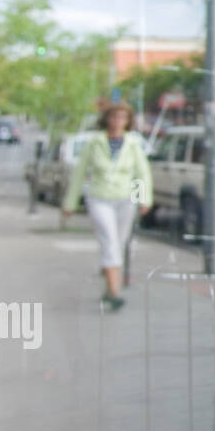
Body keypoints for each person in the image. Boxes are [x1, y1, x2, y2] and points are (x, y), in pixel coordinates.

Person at [62, 101, 152, 312]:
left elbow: (141, 173)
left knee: (118, 244)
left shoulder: (132, 143)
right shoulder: (95, 142)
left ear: (128, 121)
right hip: (100, 198)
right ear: (107, 119)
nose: (118, 121)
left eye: (122, 117)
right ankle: (115, 293)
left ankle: (108, 285)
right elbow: (79, 174)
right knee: (110, 241)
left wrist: (143, 199)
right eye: (114, 117)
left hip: (125, 198)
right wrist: (70, 203)